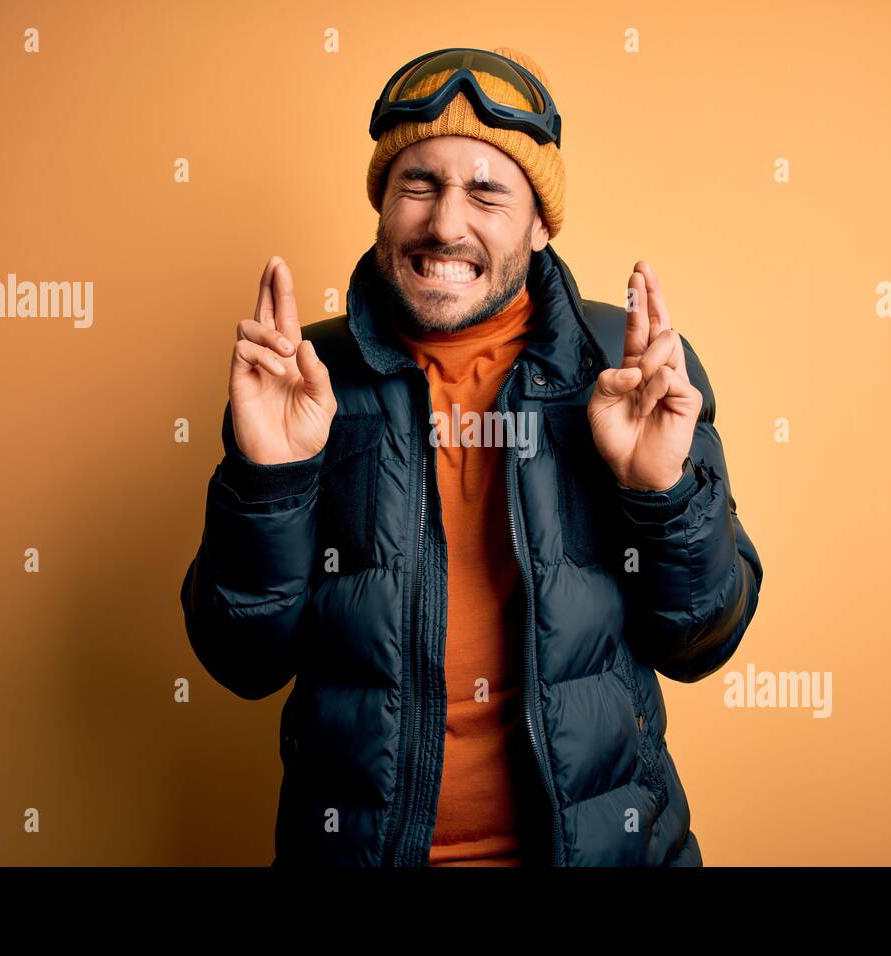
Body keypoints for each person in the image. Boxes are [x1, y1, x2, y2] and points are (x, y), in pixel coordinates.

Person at [179, 46, 764, 866]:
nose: (446, 223)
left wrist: (660, 491)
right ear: (383, 203)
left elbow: (702, 642)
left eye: (488, 191)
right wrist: (270, 481)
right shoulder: (301, 379)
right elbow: (240, 662)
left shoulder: (628, 368)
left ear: (539, 221)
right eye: (418, 183)